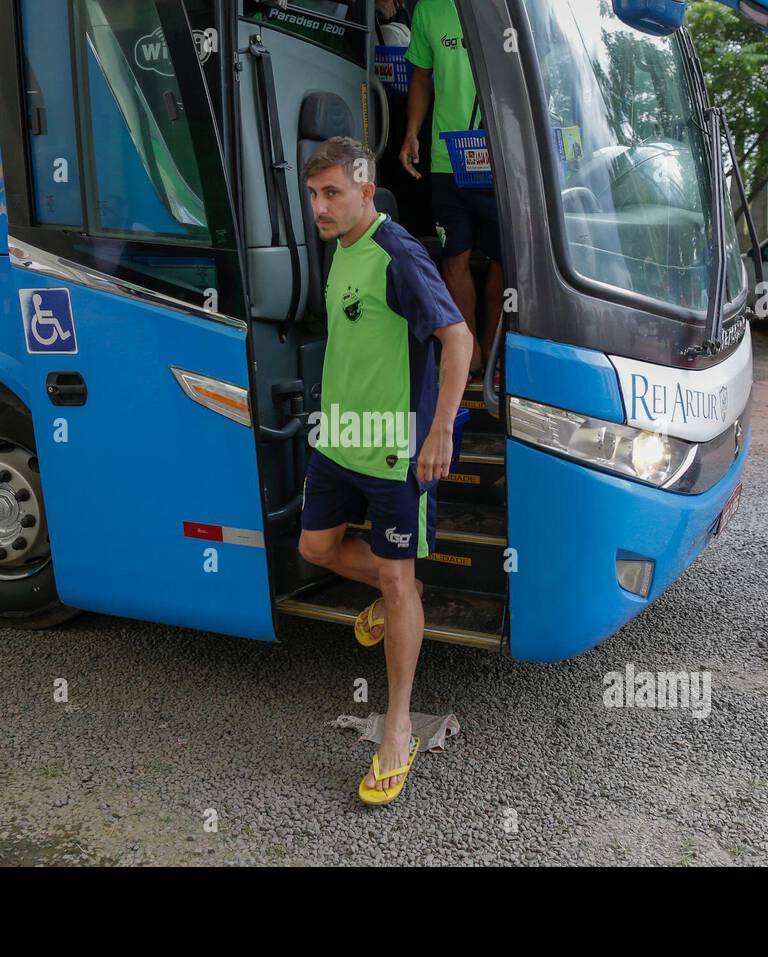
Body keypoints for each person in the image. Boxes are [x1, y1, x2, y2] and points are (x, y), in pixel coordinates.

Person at [298, 136, 473, 803]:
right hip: (340, 439)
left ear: (367, 189)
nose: (320, 206)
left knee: (399, 578)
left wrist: (438, 433)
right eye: (314, 194)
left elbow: (458, 340)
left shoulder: (398, 253)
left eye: (333, 193)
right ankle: (400, 595)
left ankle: (397, 728)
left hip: (395, 452)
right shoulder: (338, 248)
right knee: (317, 549)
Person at [401, 0, 502, 378]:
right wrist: (412, 131)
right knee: (454, 258)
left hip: (500, 160)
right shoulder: (430, 9)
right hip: (448, 157)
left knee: (502, 260)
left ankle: (492, 345)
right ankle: (470, 348)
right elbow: (422, 77)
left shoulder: (507, 8)